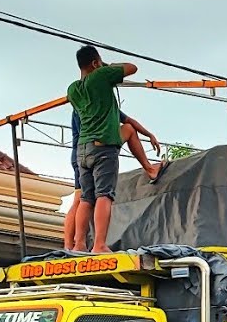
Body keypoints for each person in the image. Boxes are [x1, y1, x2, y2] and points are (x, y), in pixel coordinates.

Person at [68, 45, 165, 253]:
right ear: (95, 63)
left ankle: (78, 244)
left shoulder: (73, 89)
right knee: (104, 195)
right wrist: (107, 67)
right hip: (103, 147)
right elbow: (132, 67)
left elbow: (127, 121)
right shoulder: (101, 76)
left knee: (86, 198)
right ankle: (99, 245)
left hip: (82, 150)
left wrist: (147, 134)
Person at [64, 109, 165, 250]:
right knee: (101, 196)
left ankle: (72, 245)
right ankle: (149, 169)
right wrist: (149, 135)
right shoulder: (103, 102)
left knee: (81, 199)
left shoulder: (80, 105)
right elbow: (129, 122)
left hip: (79, 155)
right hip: (99, 148)